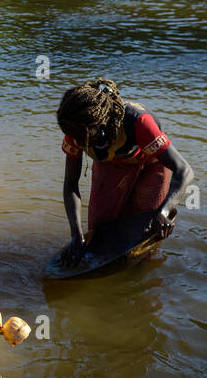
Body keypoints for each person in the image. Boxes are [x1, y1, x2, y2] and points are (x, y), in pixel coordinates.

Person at [56, 78, 193, 266]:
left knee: (148, 228)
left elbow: (184, 171)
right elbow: (71, 183)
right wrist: (76, 236)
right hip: (111, 163)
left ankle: (142, 272)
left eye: (84, 137)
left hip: (151, 164)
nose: (78, 142)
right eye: (74, 137)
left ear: (101, 123)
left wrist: (164, 210)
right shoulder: (76, 129)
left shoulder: (139, 122)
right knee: (100, 229)